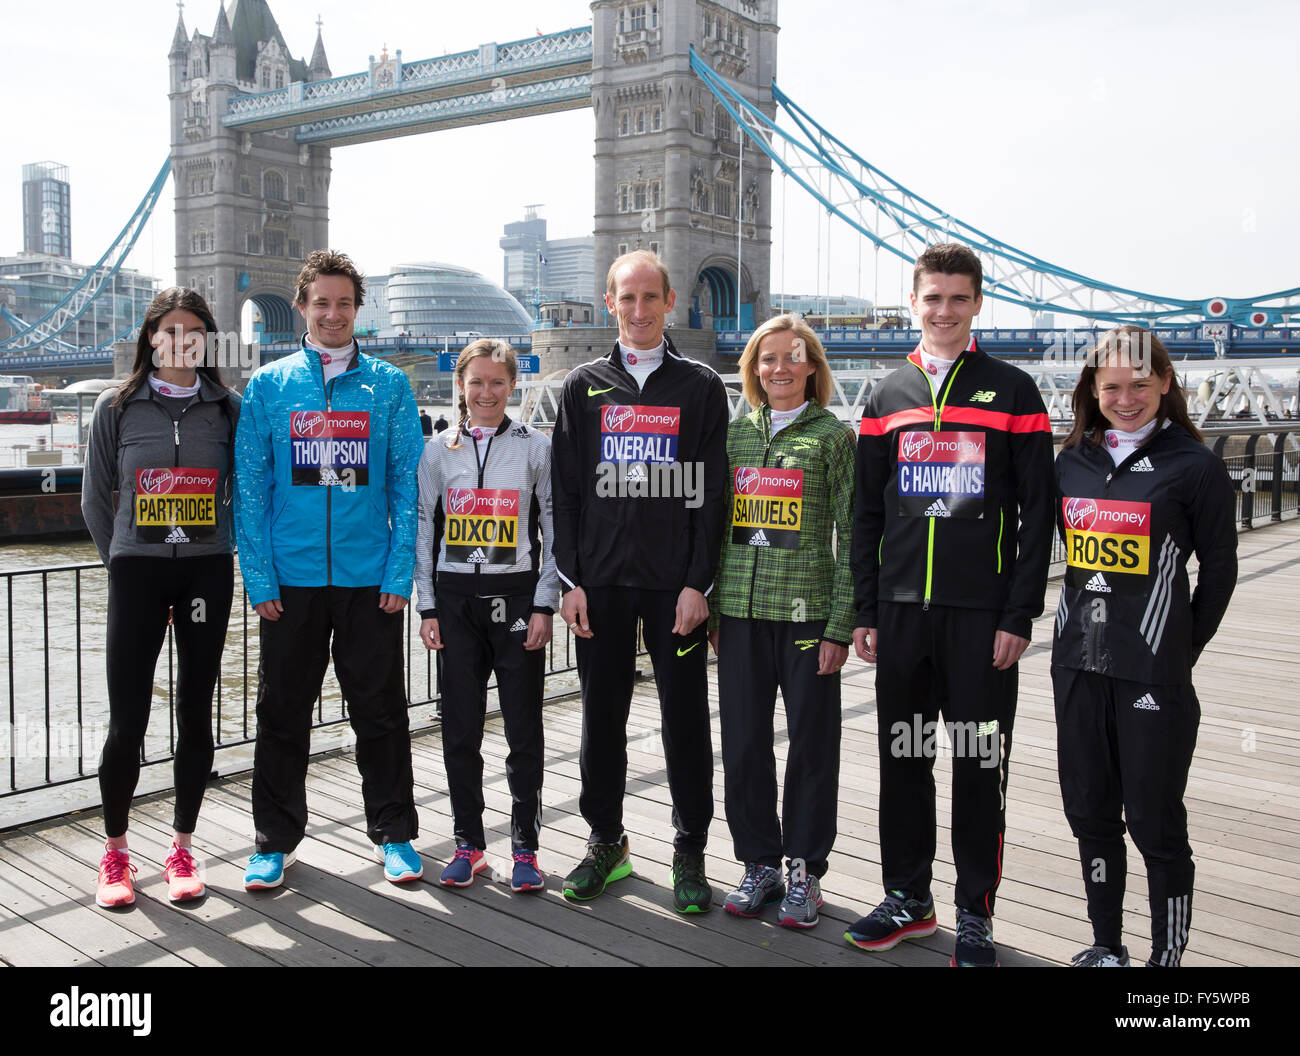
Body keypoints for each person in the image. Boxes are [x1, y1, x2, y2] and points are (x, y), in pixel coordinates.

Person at [845, 243, 1055, 966]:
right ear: (914, 303)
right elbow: (865, 514)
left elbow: (1038, 516)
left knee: (975, 762)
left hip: (978, 617)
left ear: (977, 304)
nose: (944, 311)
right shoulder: (886, 395)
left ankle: (973, 910)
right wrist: (865, 609)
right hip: (902, 613)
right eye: (932, 298)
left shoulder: (1014, 392)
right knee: (905, 758)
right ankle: (908, 896)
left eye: (958, 299)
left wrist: (1017, 615)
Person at [234, 249, 424, 890]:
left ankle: (394, 834)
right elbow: (251, 489)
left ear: (357, 310)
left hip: (369, 578)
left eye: (344, 303)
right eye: (322, 302)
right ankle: (274, 840)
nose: (333, 312)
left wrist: (400, 573)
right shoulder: (268, 386)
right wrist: (258, 578)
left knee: (380, 710)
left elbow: (407, 488)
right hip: (290, 579)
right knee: (280, 712)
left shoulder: (389, 387)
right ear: (302, 307)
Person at [550, 249, 728, 912]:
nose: (639, 309)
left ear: (670, 301)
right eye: (627, 298)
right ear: (609, 304)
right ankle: (606, 842)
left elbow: (713, 494)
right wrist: (570, 580)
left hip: (673, 588)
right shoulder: (581, 386)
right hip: (600, 585)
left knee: (685, 721)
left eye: (651, 297)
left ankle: (689, 850)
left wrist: (697, 583)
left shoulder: (700, 387)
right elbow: (566, 492)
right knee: (601, 719)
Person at [1053, 325, 1237, 967]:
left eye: (1139, 384)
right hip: (1076, 664)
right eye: (1112, 387)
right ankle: (1106, 945)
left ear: (1164, 382)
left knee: (1155, 825)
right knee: (1091, 815)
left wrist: (1179, 645)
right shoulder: (1071, 460)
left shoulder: (1197, 467)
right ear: (1092, 390)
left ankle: (1167, 958)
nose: (1126, 398)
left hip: (1152, 674)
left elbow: (1219, 571)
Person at [82, 287, 240, 907]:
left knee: (196, 714)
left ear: (208, 340)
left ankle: (181, 848)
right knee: (128, 721)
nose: (181, 340)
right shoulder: (115, 407)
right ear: (151, 338)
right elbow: (96, 500)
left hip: (205, 571)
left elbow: (244, 493)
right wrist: (120, 561)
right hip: (138, 575)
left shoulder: (229, 409)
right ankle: (115, 855)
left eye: (194, 330)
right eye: (169, 329)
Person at [708, 314, 855, 928]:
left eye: (793, 358)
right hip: (739, 617)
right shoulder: (735, 437)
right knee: (742, 749)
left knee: (812, 751)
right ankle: (759, 862)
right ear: (753, 369)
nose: (779, 369)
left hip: (806, 617)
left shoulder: (833, 438)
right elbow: (716, 528)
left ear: (813, 367)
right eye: (767, 359)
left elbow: (850, 537)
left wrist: (840, 625)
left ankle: (804, 869)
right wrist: (714, 606)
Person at [414, 340, 558, 892]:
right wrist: (426, 606)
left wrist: (545, 603)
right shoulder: (437, 452)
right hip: (454, 604)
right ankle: (468, 844)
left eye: (497, 382)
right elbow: (426, 531)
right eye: (476, 382)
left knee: (523, 730)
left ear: (513, 386)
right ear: (461, 385)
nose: (486, 393)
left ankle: (526, 848)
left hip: (518, 601)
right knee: (459, 732)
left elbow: (554, 536)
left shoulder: (535, 448)